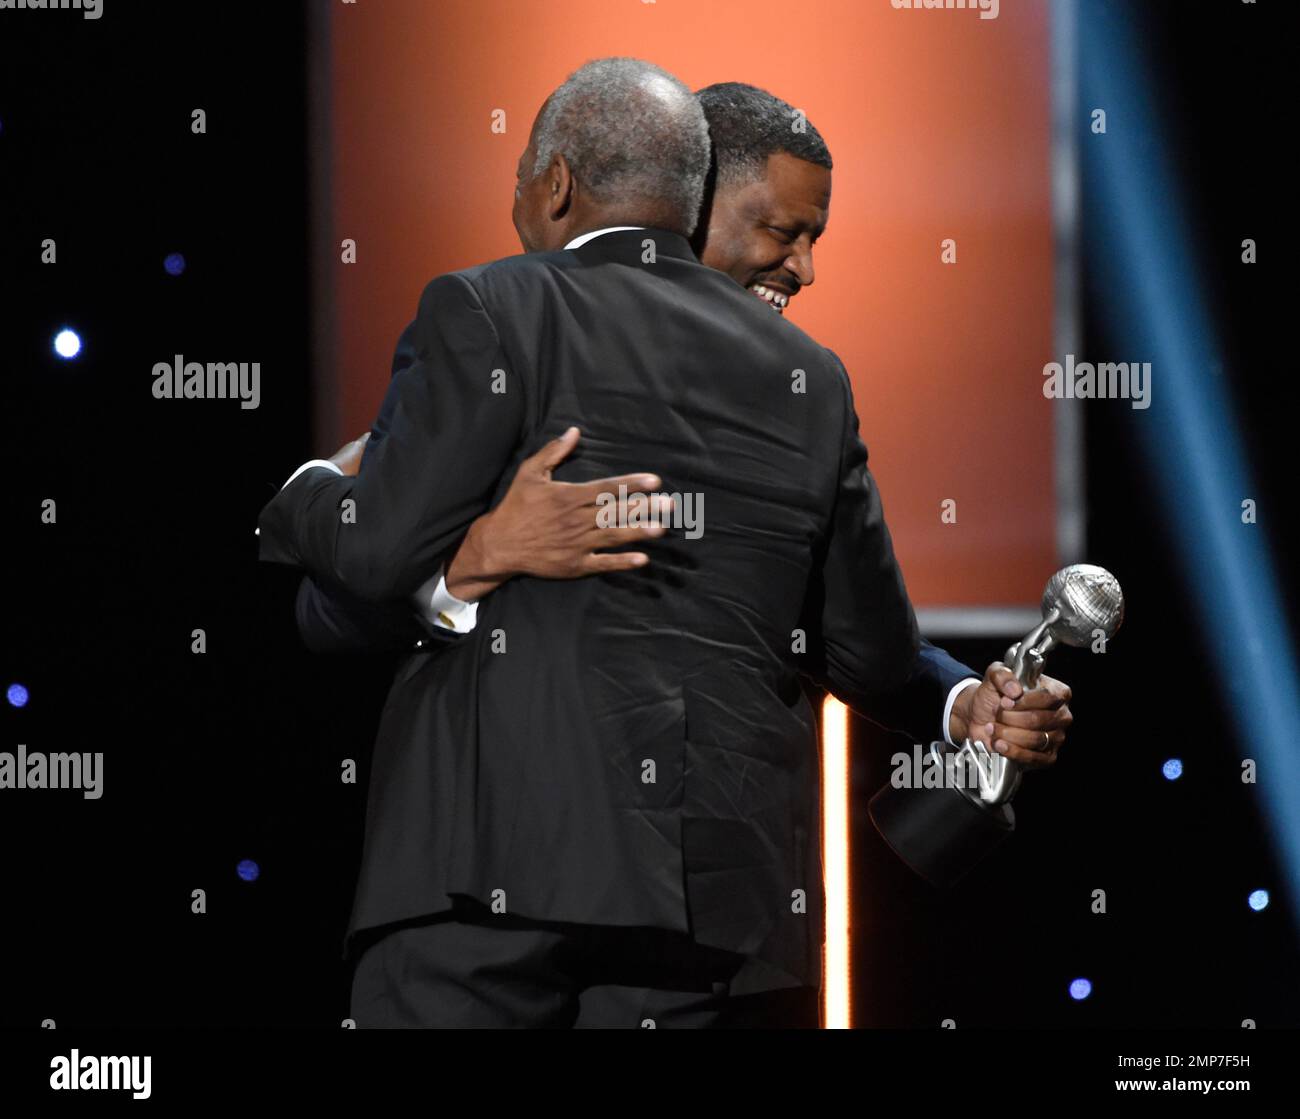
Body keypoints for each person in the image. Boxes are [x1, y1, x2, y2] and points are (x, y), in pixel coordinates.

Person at [258, 61, 1068, 1028]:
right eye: (783, 231)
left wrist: (309, 498)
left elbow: (359, 574)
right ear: (694, 201)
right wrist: (470, 564)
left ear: (557, 182)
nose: (802, 267)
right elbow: (870, 651)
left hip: (487, 881)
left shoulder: (497, 313)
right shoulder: (811, 380)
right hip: (717, 917)